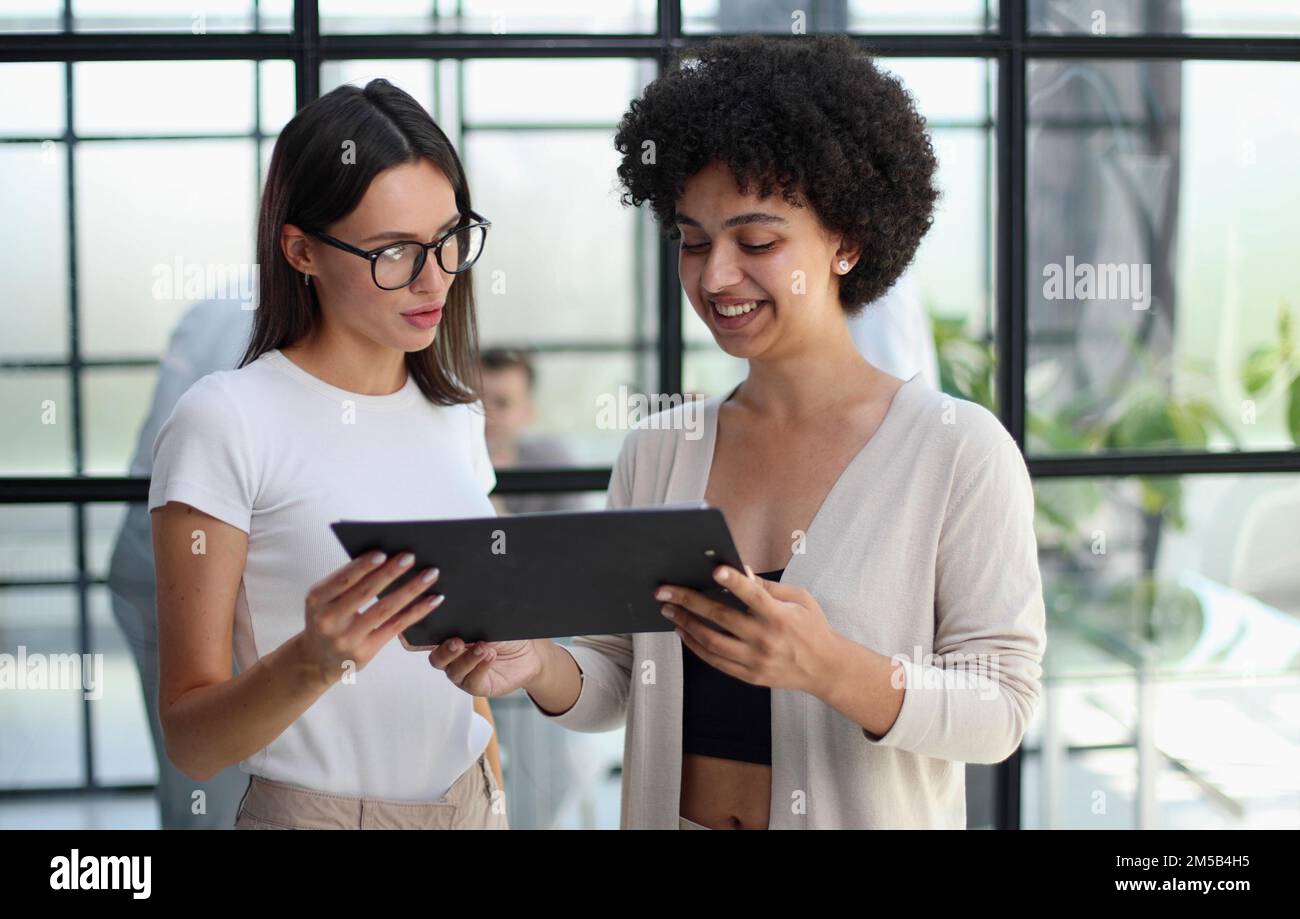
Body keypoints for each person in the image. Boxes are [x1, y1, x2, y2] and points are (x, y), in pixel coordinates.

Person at [425, 34, 1046, 829]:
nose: (715, 276)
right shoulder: (659, 451)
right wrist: (536, 662)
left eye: (756, 242)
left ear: (847, 241)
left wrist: (829, 667)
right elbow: (619, 673)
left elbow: (1001, 707)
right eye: (692, 241)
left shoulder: (957, 450)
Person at [148, 78, 506, 829]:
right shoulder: (225, 420)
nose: (433, 277)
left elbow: (463, 667)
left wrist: (491, 768)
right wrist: (315, 656)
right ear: (301, 249)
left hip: (471, 801)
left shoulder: (456, 417)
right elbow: (190, 740)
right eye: (393, 252)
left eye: (447, 239)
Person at [108, 298, 254, 829]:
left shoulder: (213, 309)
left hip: (144, 555)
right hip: (190, 563)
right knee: (210, 772)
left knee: (192, 776)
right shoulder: (259, 324)